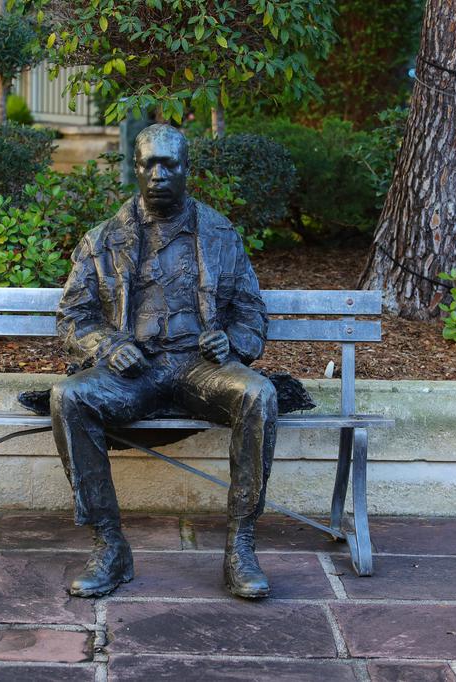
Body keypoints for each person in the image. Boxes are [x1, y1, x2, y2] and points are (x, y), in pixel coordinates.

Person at [51, 124, 277, 599]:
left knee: (258, 394)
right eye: (149, 164)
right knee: (69, 397)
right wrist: (109, 347)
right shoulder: (103, 240)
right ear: (135, 169)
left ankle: (241, 546)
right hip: (136, 373)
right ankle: (109, 545)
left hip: (201, 369)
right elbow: (74, 317)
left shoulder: (220, 234)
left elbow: (251, 312)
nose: (158, 175)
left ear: (186, 169)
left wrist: (232, 341)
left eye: (168, 165)